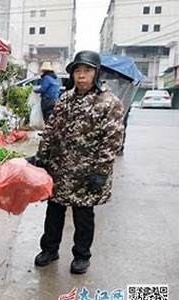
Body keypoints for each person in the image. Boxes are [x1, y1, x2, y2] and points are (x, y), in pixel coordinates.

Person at [27, 50, 125, 274]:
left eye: (87, 70)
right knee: (54, 212)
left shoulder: (109, 103)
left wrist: (100, 172)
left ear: (96, 73)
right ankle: (50, 250)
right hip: (60, 169)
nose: (81, 75)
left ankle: (81, 255)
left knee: (83, 216)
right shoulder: (65, 98)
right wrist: (42, 156)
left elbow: (112, 141)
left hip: (87, 172)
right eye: (77, 71)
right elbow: (51, 130)